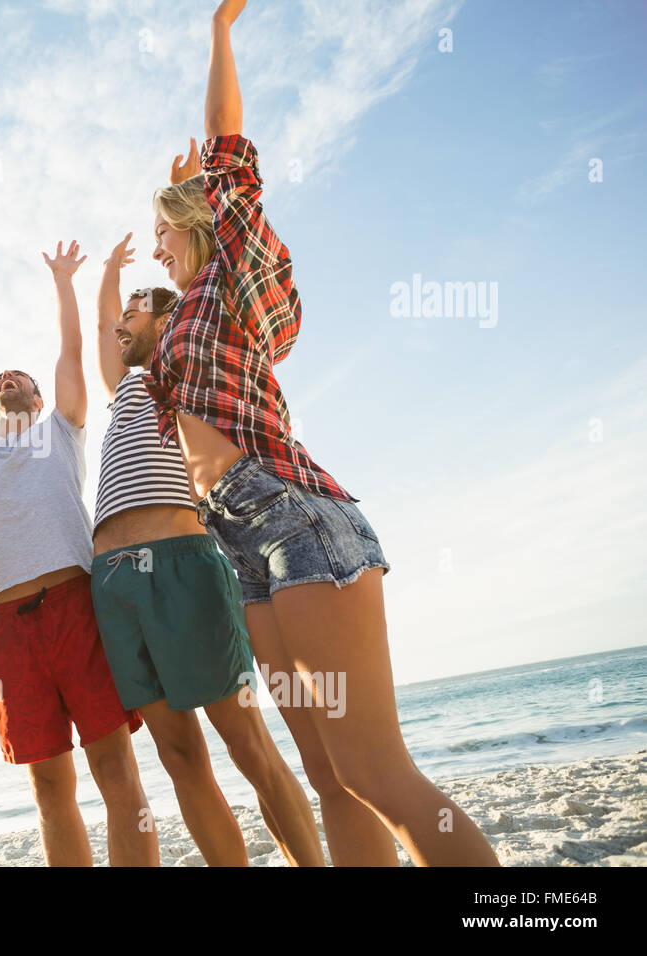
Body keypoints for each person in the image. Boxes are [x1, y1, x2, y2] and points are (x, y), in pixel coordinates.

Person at [144, 0, 499, 865]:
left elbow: (229, 154)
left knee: (375, 768)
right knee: (327, 774)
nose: (155, 250)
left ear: (198, 228)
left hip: (293, 520)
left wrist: (219, 33)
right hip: (241, 545)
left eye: (162, 233)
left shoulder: (233, 278)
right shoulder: (183, 324)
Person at [0, 249, 159, 867]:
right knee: (50, 788)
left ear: (39, 394)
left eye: (18, 375)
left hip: (78, 609)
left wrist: (62, 282)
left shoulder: (62, 427)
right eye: (0, 379)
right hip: (9, 628)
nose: (7, 378)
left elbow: (72, 351)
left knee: (115, 770)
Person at [92, 234, 325, 866]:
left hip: (183, 566)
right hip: (112, 583)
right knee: (179, 757)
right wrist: (110, 273)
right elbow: (103, 327)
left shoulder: (188, 365)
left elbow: (209, 283)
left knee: (248, 745)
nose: (122, 322)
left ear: (170, 318)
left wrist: (188, 219)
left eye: (136, 309)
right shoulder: (123, 390)